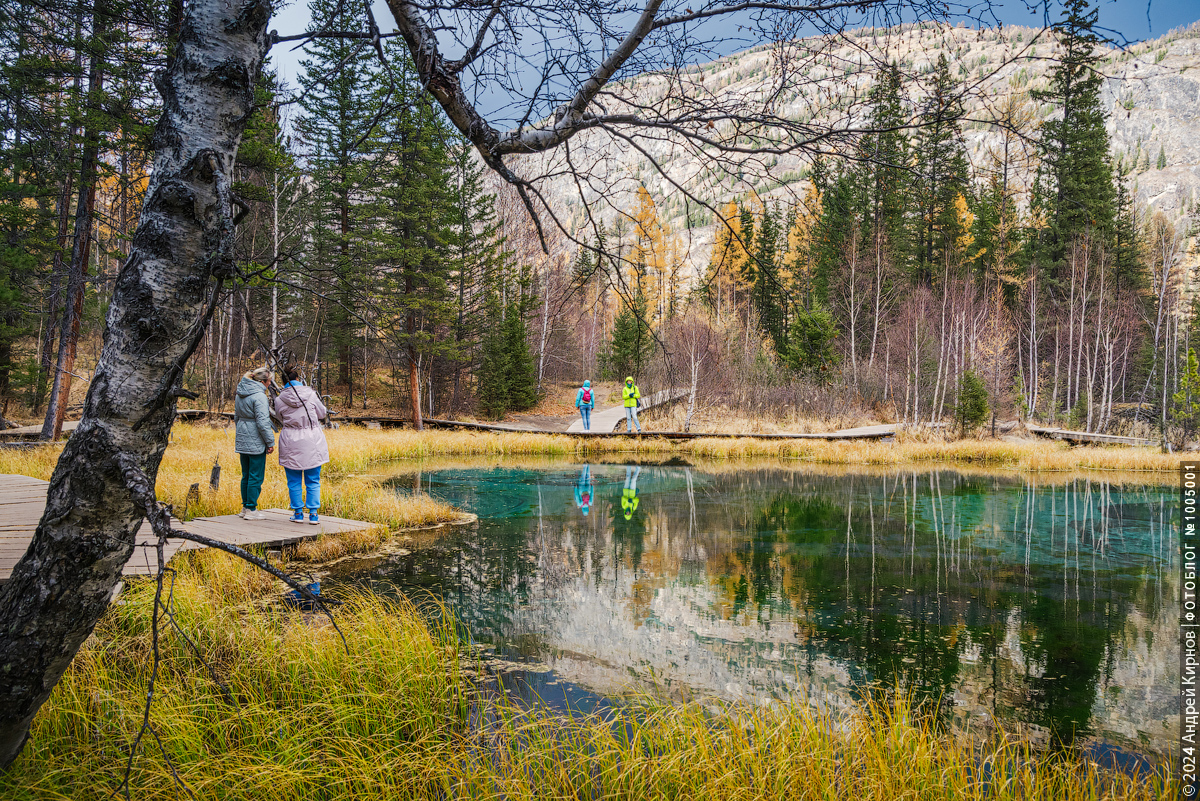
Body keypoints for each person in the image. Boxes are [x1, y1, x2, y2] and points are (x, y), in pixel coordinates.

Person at [274, 366, 329, 525]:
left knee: (293, 480)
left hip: (290, 439)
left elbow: (279, 416)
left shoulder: (279, 399)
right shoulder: (310, 394)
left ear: (283, 382)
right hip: (312, 439)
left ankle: (298, 513)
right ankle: (313, 514)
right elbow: (322, 413)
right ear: (297, 379)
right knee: (313, 479)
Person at [234, 366, 275, 520]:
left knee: (246, 475)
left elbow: (236, 417)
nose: (270, 383)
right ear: (263, 381)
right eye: (269, 381)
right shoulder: (259, 396)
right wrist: (270, 441)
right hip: (256, 438)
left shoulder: (240, 393)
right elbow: (263, 422)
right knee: (256, 476)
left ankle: (245, 508)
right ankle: (251, 509)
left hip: (242, 435)